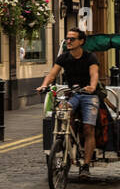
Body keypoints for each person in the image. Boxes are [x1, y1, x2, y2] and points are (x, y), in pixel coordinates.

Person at [37, 28, 101, 176]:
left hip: (88, 95)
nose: (69, 41)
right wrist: (44, 85)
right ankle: (67, 142)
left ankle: (85, 166)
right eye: (67, 39)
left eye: (72, 39)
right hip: (72, 94)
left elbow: (94, 74)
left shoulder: (90, 57)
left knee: (88, 128)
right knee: (62, 114)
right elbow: (52, 74)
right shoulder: (63, 58)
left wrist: (92, 86)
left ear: (81, 41)